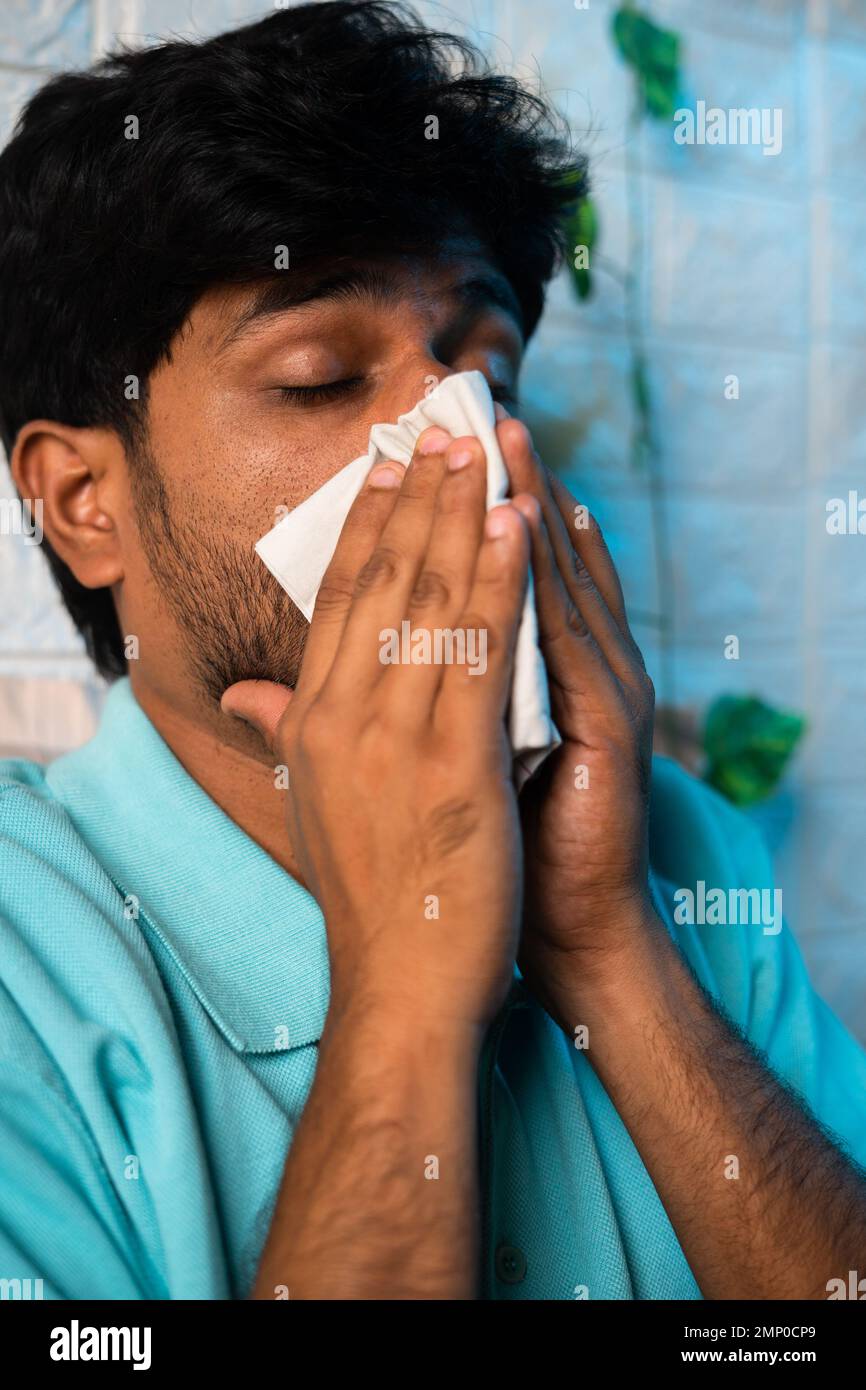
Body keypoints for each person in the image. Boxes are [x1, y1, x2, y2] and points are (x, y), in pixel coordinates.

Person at [0, 1, 864, 1301]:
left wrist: (611, 945)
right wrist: (408, 971)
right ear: (83, 503)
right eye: (318, 375)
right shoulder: (27, 961)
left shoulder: (679, 847)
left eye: (487, 375)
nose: (457, 442)